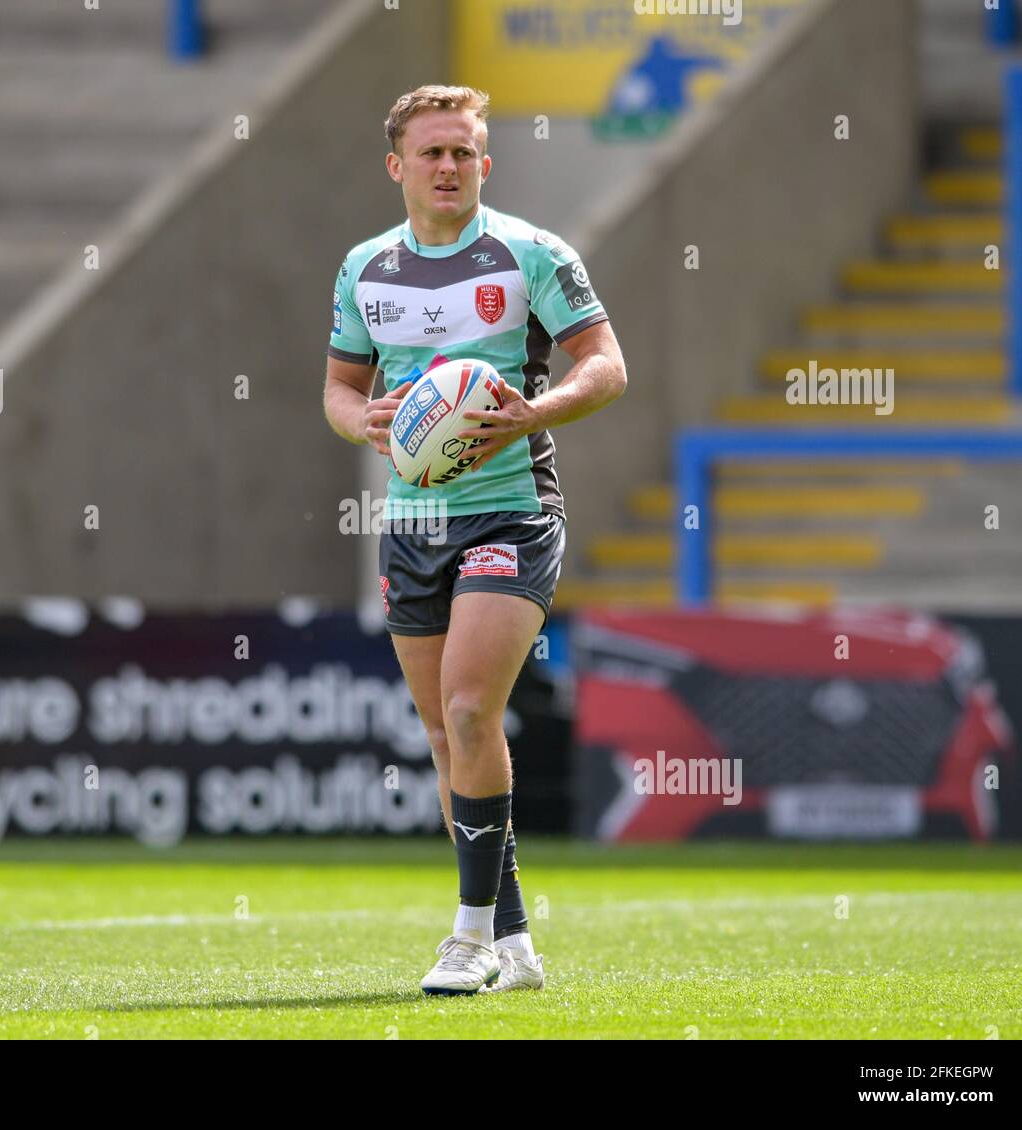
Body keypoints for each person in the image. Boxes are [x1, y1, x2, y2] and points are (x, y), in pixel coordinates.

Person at [322, 84, 627, 995]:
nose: (448, 166)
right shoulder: (364, 269)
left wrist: (539, 410)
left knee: (467, 709)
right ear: (398, 167)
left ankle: (468, 940)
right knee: (443, 735)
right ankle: (519, 943)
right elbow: (338, 390)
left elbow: (607, 364)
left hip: (512, 510)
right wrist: (363, 422)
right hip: (413, 520)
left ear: (485, 163)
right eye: (431, 153)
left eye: (464, 152)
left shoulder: (533, 254)